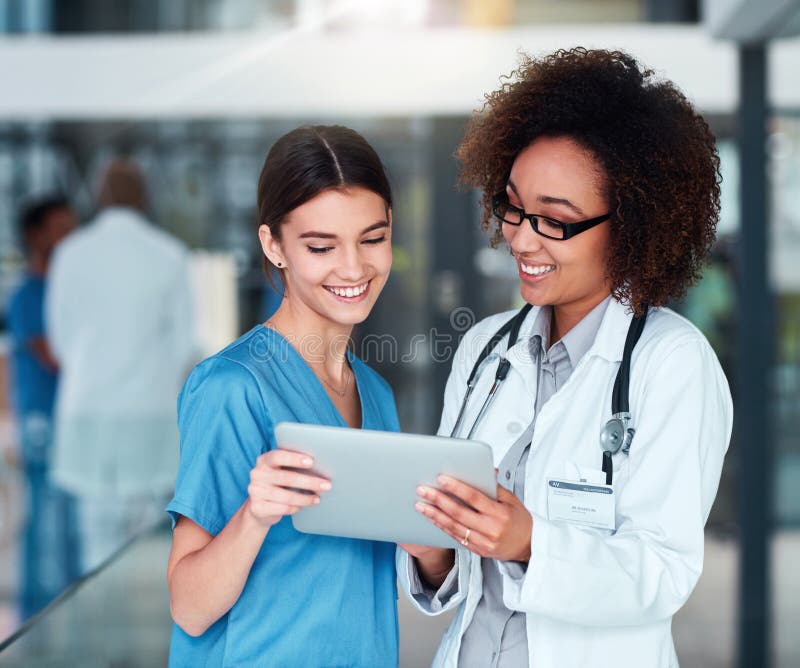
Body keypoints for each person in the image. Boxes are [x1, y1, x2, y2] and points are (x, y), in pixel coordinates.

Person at [398, 48, 733, 668]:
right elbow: (461, 580)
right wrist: (432, 549)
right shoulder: (485, 348)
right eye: (513, 206)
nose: (520, 238)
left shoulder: (673, 364)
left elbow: (661, 573)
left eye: (555, 220)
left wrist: (531, 542)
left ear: (631, 225)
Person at [166, 125, 400, 667]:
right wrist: (255, 515)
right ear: (273, 245)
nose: (353, 268)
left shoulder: (377, 395)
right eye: (321, 246)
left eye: (373, 238)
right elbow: (190, 607)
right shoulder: (232, 388)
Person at [45, 160, 197, 571]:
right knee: (145, 532)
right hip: (149, 409)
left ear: (99, 196)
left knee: (94, 530)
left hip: (87, 407)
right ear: (144, 197)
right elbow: (184, 343)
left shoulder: (71, 253)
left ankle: (95, 618)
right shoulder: (169, 254)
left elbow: (59, 337)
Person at [6, 195, 79, 617]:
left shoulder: (64, 289)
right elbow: (54, 356)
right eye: (59, 228)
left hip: (69, 423)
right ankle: (36, 617)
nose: (69, 237)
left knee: (66, 522)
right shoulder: (28, 295)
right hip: (41, 421)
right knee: (45, 521)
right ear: (35, 235)